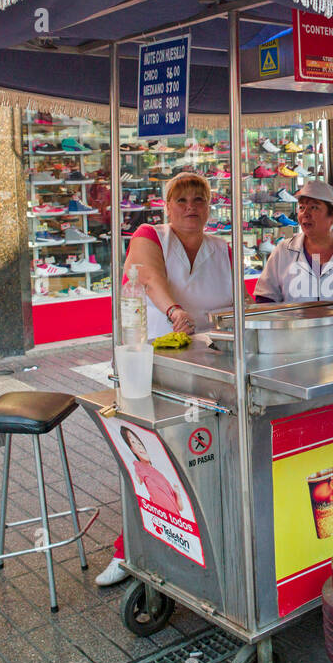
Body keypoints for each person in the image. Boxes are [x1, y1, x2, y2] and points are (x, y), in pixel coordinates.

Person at [97, 171, 233, 587]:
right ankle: (129, 550)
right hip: (154, 367)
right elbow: (150, 278)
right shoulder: (150, 235)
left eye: (199, 199)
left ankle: (208, 544)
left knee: (206, 460)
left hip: (209, 370)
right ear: (166, 206)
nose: (191, 206)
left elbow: (235, 306)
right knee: (149, 458)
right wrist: (175, 311)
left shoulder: (222, 249)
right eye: (182, 200)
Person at [254, 180, 333, 303]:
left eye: (314, 207)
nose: (305, 214)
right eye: (302, 207)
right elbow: (265, 297)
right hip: (294, 322)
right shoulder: (284, 250)